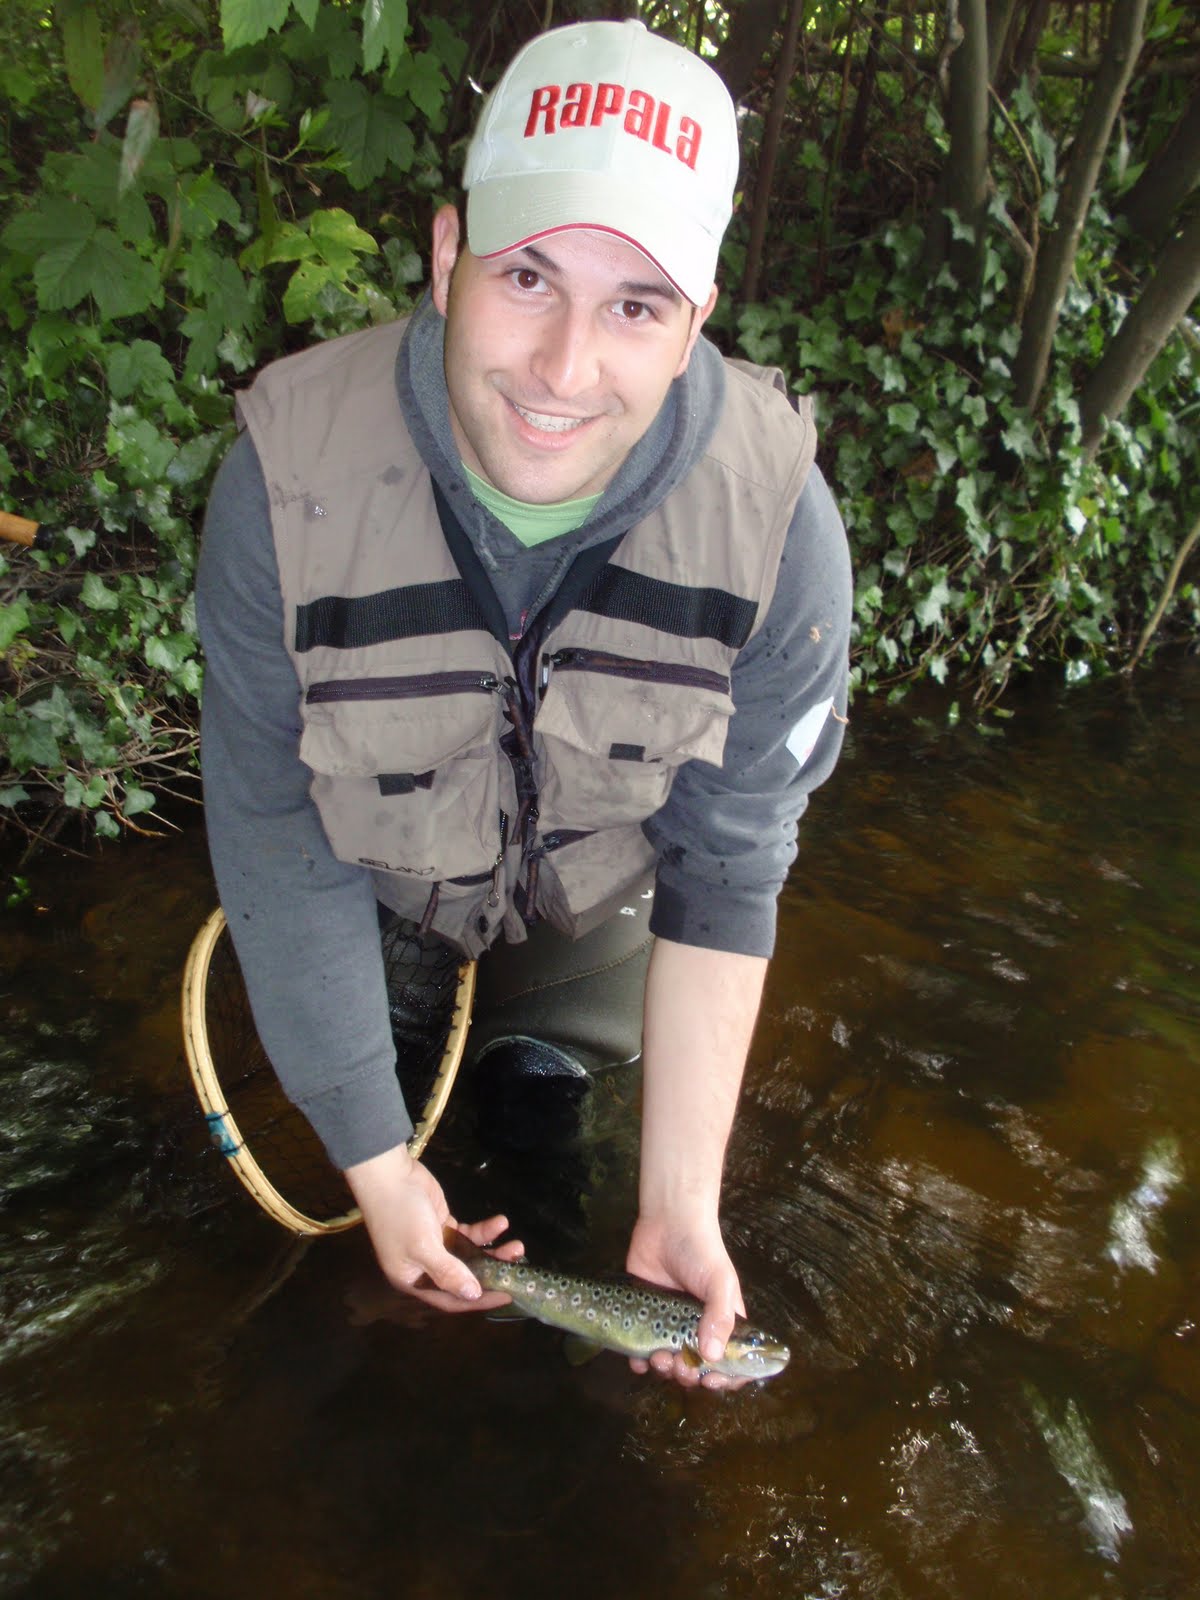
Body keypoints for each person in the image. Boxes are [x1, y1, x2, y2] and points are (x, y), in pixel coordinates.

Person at [196, 18, 851, 1389]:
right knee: (366, 1087)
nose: (562, 369)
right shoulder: (281, 486)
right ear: (447, 257)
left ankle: (536, 1064)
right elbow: (272, 829)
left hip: (598, 896)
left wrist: (680, 1204)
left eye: (634, 305)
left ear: (694, 327)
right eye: (530, 273)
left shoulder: (779, 528)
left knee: (542, 1119)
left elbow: (728, 870)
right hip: (373, 880)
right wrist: (374, 1161)